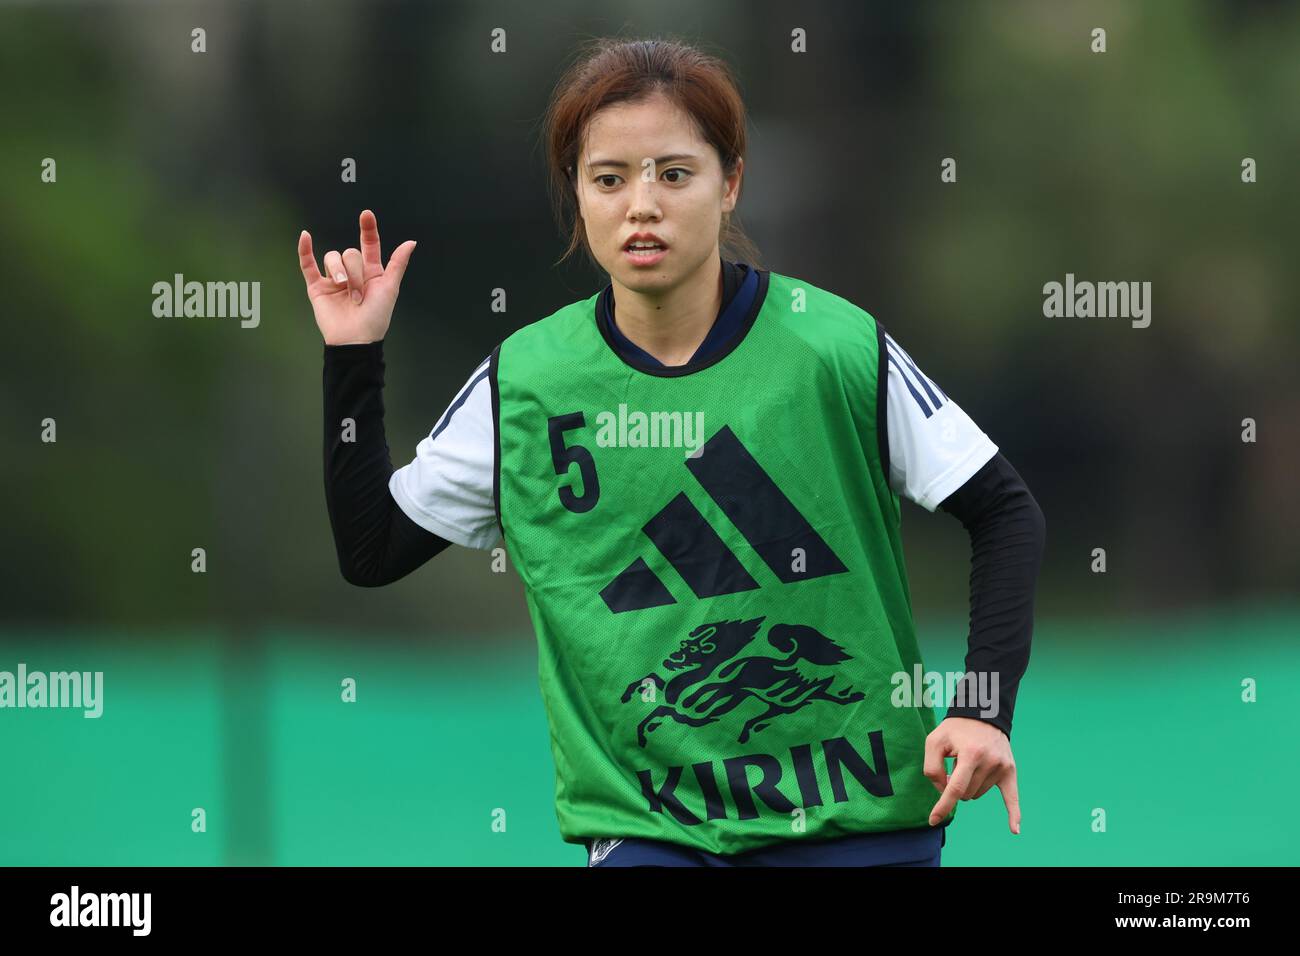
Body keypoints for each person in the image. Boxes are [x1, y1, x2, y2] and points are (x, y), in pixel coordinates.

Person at [297, 37, 1045, 868]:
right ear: (577, 196)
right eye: (608, 179)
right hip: (650, 836)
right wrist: (352, 357)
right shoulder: (528, 381)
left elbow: (1006, 512)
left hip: (858, 829)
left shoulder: (832, 347)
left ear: (730, 186)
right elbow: (372, 550)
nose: (640, 205)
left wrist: (983, 708)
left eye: (673, 174)